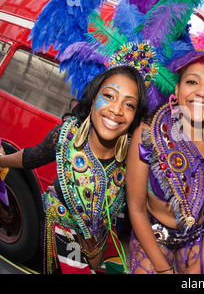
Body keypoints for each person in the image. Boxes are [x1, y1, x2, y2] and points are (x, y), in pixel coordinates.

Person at [0, 65, 148, 273]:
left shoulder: (133, 155)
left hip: (102, 243)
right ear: (93, 98)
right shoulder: (66, 136)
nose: (116, 110)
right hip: (63, 234)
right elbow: (30, 157)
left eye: (129, 105)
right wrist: (2, 161)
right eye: (109, 96)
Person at [126, 50, 204, 274]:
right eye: (192, 81)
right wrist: (164, 270)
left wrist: (201, 264)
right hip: (153, 234)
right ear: (177, 90)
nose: (202, 92)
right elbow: (135, 207)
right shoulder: (148, 133)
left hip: (198, 239)